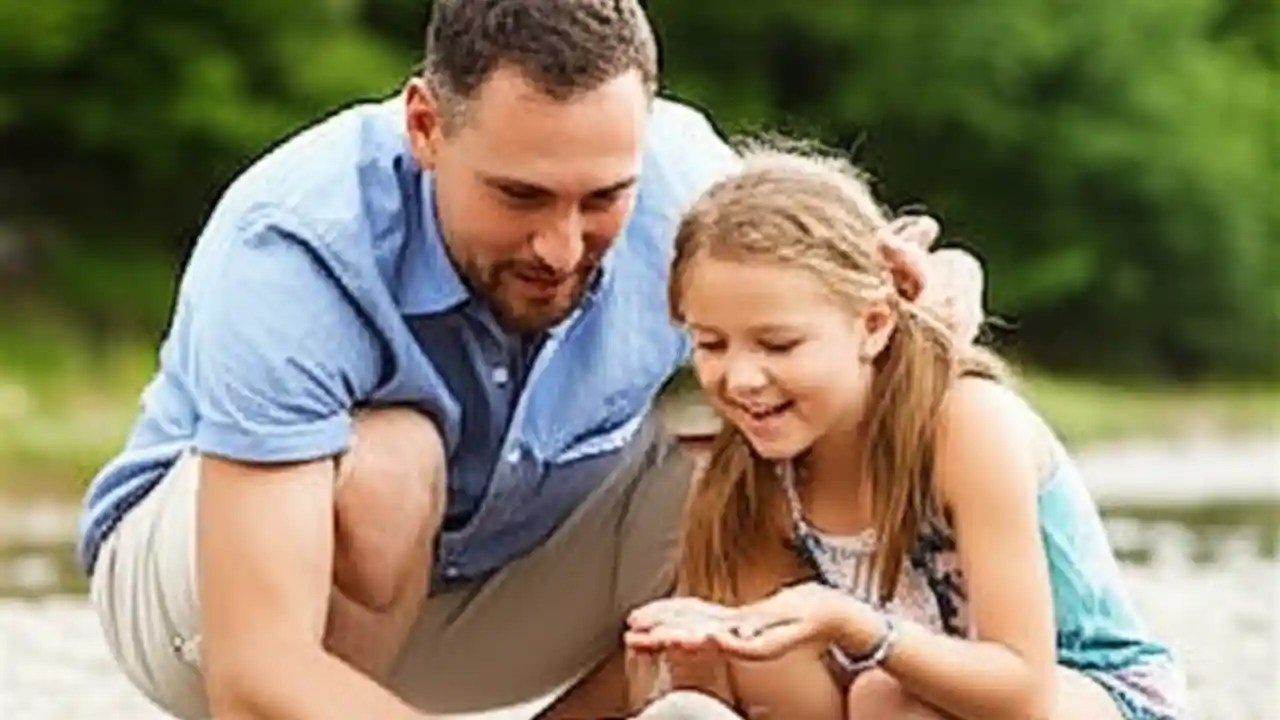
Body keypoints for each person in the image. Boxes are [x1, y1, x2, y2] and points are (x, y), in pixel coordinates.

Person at [77, 2, 979, 718]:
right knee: (392, 465)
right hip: (213, 610)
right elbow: (256, 672)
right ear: (427, 126)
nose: (559, 246)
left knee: (762, 454)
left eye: (602, 199)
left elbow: (884, 293)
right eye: (520, 195)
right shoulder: (297, 243)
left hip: (494, 577)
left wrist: (942, 292)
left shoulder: (684, 181)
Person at [622, 150, 1187, 720]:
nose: (740, 378)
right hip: (902, 698)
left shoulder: (966, 422)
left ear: (872, 325)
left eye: (779, 345)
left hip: (1084, 693)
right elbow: (801, 709)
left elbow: (1024, 693)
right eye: (711, 344)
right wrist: (702, 666)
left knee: (887, 698)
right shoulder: (755, 477)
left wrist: (860, 629)